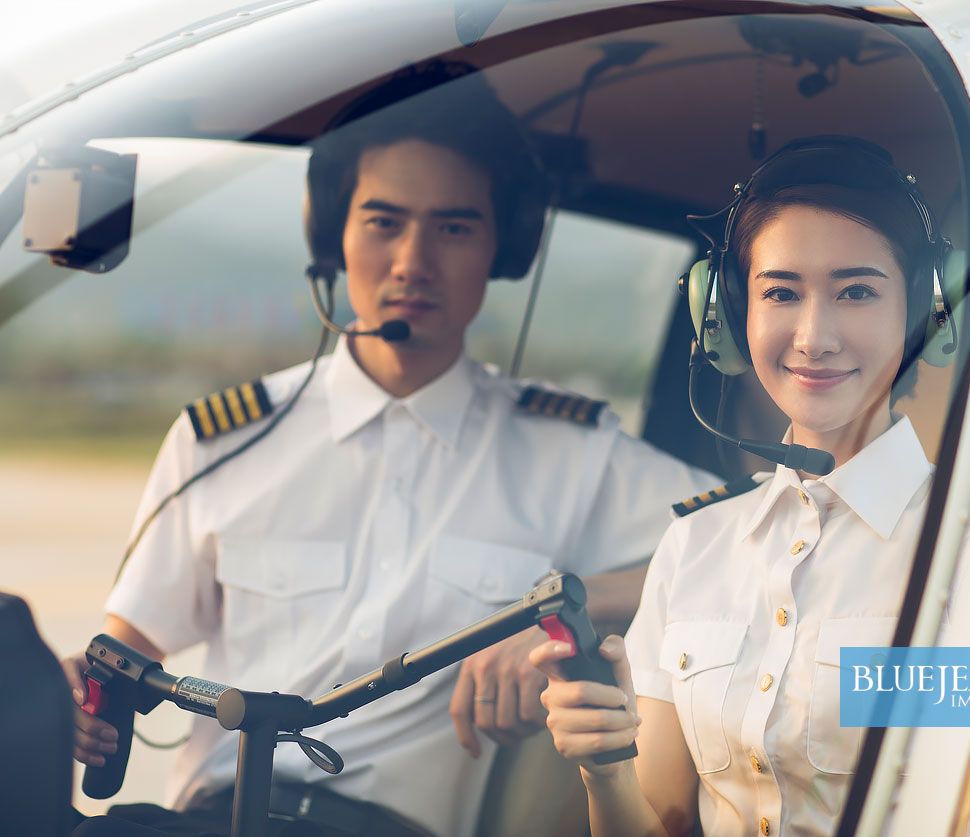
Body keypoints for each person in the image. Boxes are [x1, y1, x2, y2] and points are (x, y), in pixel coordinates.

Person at [64, 60, 716, 837]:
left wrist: (557, 607)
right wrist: (77, 695)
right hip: (211, 819)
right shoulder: (222, 438)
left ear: (503, 249)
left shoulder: (572, 453)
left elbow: (739, 532)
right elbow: (125, 648)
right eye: (383, 221)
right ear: (331, 234)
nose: (412, 260)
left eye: (452, 226)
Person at [531, 137, 970, 836]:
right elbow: (659, 822)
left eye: (855, 292)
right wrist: (604, 766)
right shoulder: (692, 544)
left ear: (924, 315)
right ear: (725, 316)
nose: (813, 336)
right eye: (780, 292)